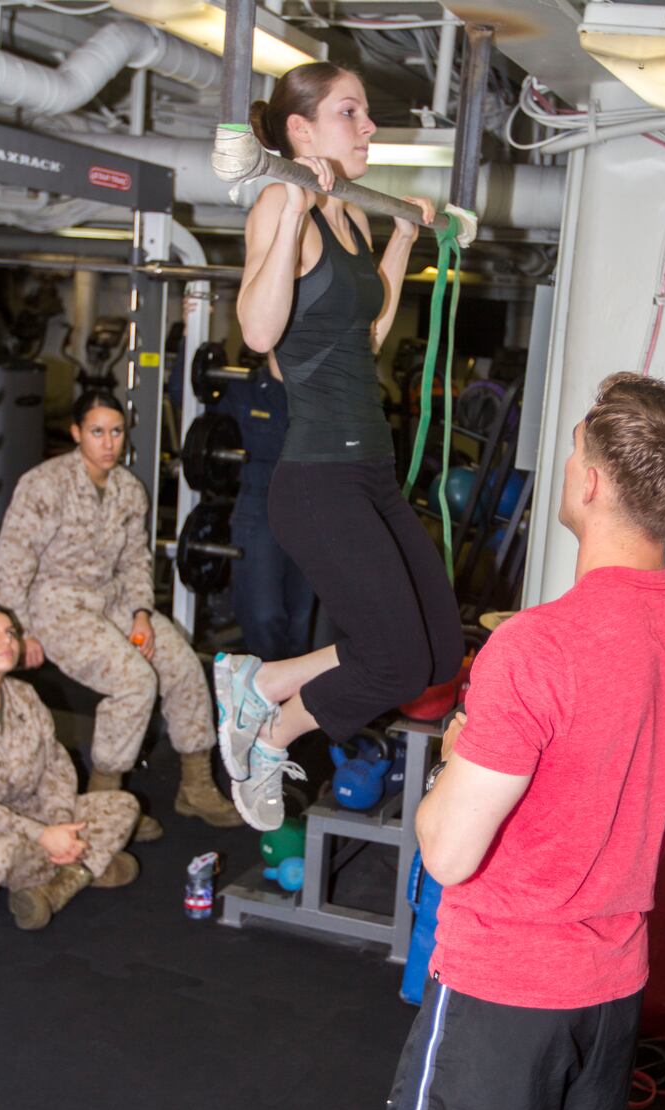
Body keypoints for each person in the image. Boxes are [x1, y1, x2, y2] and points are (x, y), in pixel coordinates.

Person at [384, 372, 665, 1110]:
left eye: (573, 447)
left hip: (509, 980)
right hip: (612, 977)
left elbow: (446, 851)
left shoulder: (537, 647)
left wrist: (460, 744)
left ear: (588, 481)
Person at [214, 61, 464, 832]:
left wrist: (399, 236)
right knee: (390, 655)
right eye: (350, 113)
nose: (368, 128)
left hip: (370, 471)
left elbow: (372, 331)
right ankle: (268, 733)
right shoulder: (280, 202)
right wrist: (290, 200)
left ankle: (262, 683)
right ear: (302, 131)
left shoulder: (351, 214)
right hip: (318, 476)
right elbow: (261, 334)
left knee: (436, 654)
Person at [0, 392, 242, 840]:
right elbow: (11, 563)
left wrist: (143, 613)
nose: (108, 442)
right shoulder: (45, 484)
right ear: (76, 433)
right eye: (97, 432)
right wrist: (14, 633)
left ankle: (196, 785)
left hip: (116, 602)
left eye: (116, 432)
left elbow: (136, 563)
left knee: (181, 663)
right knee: (134, 681)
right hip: (57, 607)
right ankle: (107, 801)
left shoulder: (128, 491)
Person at [0, 603, 140, 930]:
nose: (7, 641)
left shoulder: (25, 696)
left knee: (122, 804)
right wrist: (43, 835)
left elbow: (55, 765)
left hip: (34, 815)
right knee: (3, 854)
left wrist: (60, 823)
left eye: (11, 633)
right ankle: (84, 865)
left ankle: (58, 886)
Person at [169, 342, 315, 660]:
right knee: (263, 615)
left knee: (302, 619)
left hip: (310, 511)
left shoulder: (318, 394)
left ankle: (294, 694)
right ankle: (271, 682)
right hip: (258, 508)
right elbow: (185, 394)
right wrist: (188, 335)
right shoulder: (243, 389)